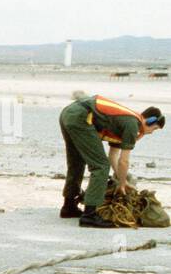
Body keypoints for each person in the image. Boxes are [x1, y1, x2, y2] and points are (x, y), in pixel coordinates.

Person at [58, 95, 164, 227]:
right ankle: (89, 215)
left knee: (77, 162)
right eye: (154, 128)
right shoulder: (133, 125)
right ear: (150, 120)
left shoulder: (127, 121)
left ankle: (68, 207)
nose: (151, 132)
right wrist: (123, 183)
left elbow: (113, 156)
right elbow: (123, 161)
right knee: (100, 166)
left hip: (69, 113)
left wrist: (121, 180)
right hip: (81, 116)